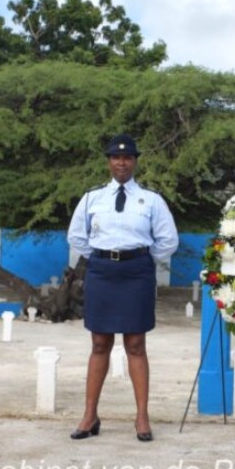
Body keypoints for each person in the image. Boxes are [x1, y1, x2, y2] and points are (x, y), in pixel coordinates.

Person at [66, 134, 179, 442]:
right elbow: (76, 236)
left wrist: (140, 259)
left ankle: (141, 417)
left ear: (135, 162)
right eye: (116, 158)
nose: (122, 162)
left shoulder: (151, 200)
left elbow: (168, 240)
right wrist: (102, 258)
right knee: (100, 343)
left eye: (128, 157)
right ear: (109, 162)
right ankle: (90, 415)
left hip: (137, 273)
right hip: (102, 272)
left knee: (135, 344)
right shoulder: (92, 198)